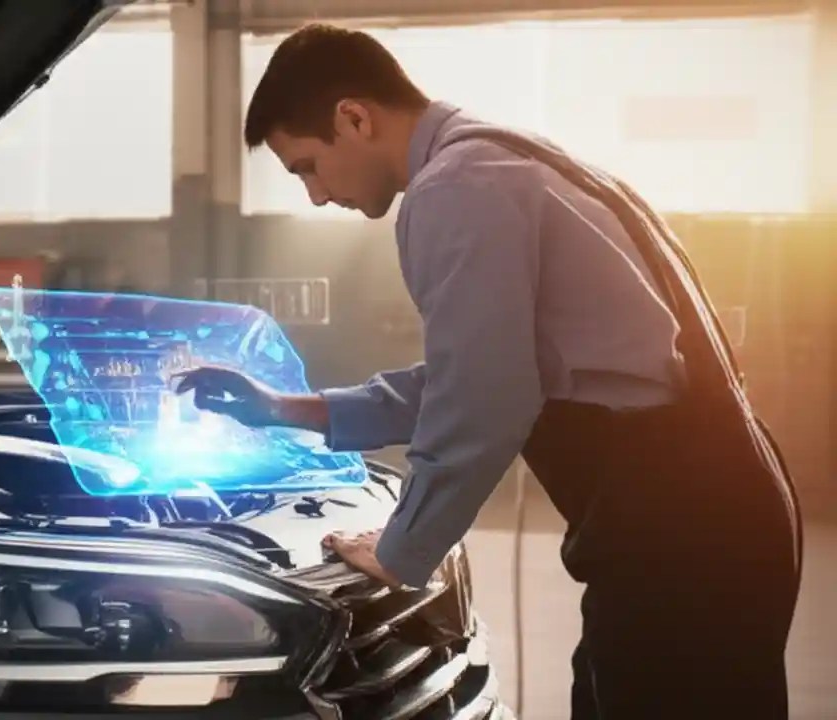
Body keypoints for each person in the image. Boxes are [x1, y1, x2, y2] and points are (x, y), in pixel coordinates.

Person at [172, 23, 801, 719]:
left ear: (354, 117)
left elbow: (482, 399)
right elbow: (476, 370)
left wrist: (403, 547)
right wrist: (289, 408)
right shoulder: (513, 158)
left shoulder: (455, 189)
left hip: (679, 526)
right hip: (714, 503)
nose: (317, 196)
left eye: (308, 168)